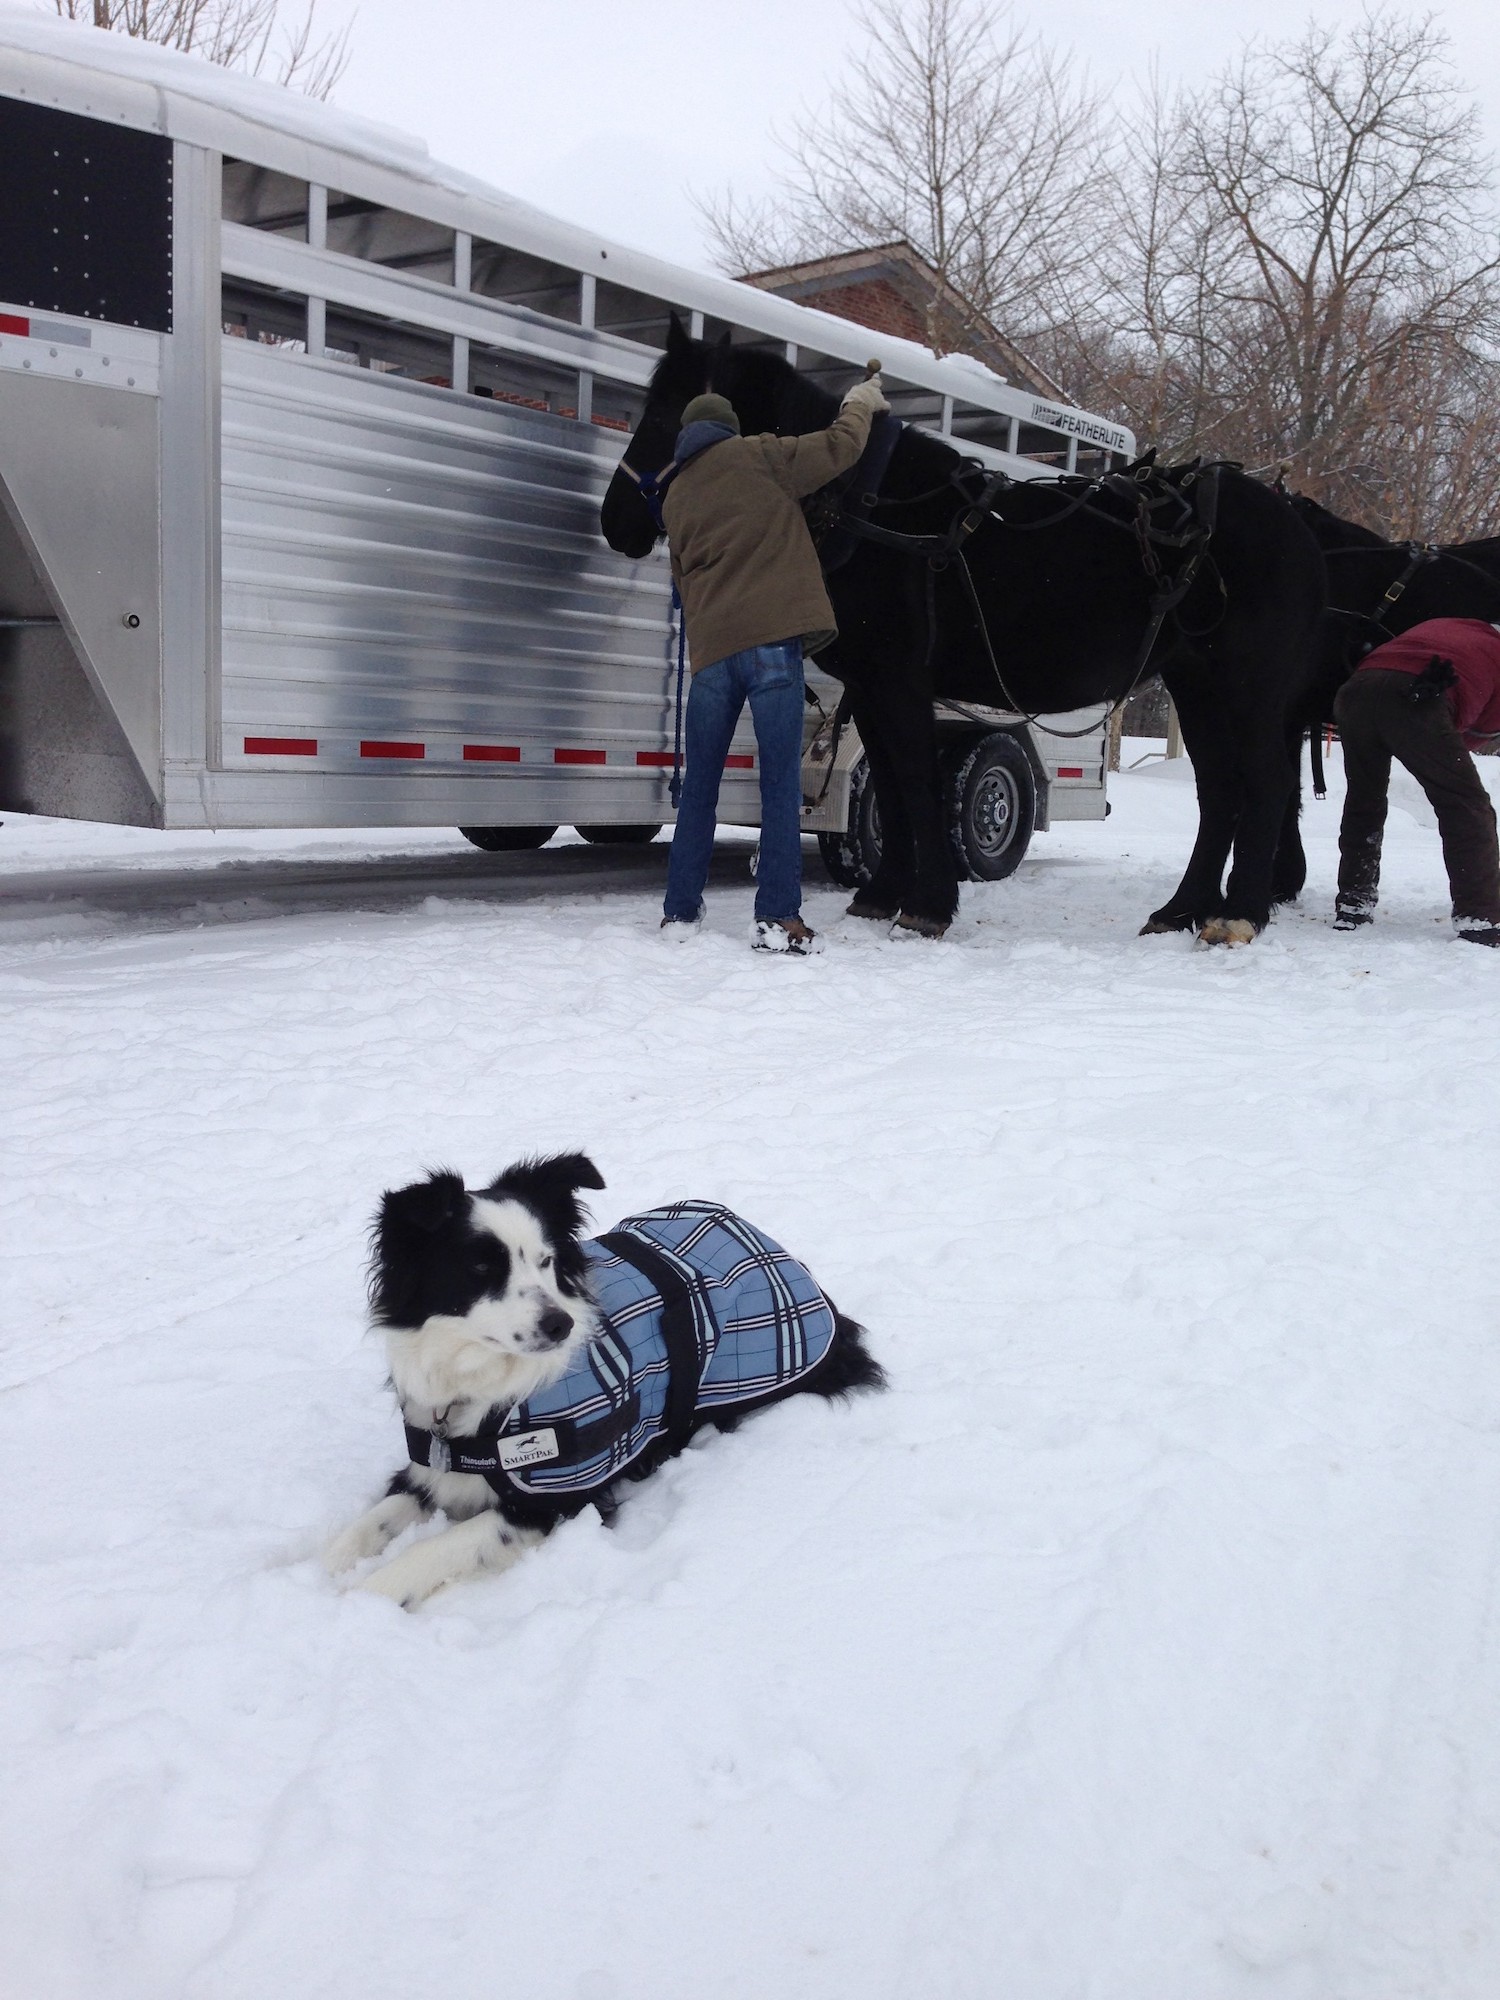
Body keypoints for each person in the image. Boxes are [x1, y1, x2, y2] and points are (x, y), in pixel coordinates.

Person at [658, 370, 890, 953]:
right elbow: (840, 447)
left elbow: (681, 585)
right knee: (780, 783)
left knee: (700, 789)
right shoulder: (759, 456)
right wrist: (859, 402)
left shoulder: (676, 495)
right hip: (770, 649)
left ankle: (681, 914)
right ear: (730, 430)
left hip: (714, 657)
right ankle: (777, 917)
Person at [1333, 616, 1500, 944]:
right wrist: (1441, 747)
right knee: (1465, 805)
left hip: (1356, 691)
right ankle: (1480, 917)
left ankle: (1354, 903)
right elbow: (1487, 728)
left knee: (1364, 800)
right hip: (1420, 696)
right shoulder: (1493, 650)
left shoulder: (1449, 626)